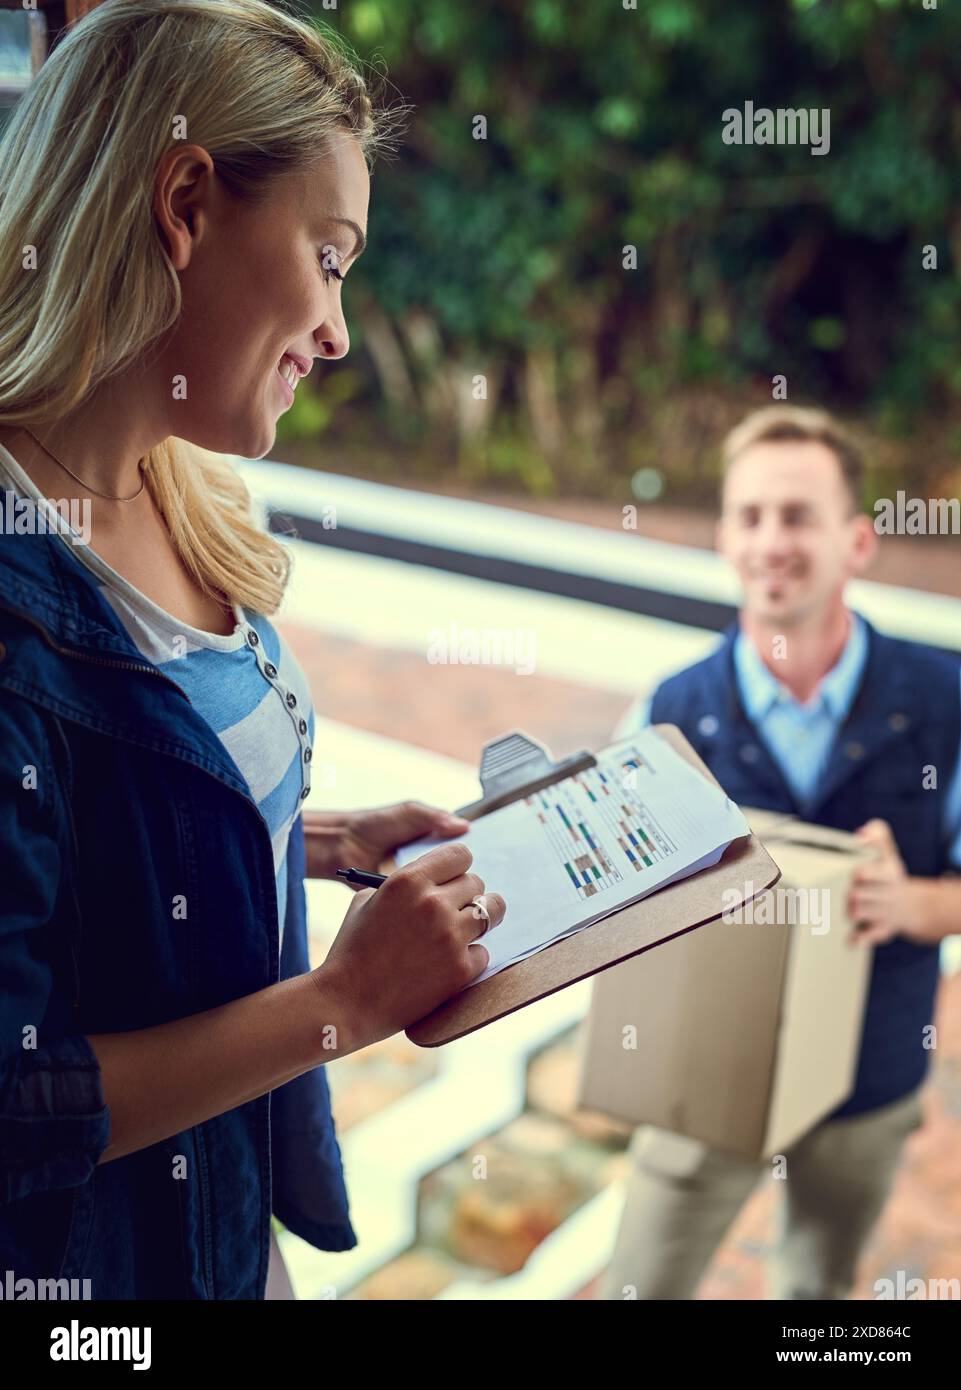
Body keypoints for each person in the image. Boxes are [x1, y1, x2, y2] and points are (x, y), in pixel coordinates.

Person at [0, 0, 505, 1300]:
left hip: (226, 1237)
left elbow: (109, 821)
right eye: (330, 258)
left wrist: (313, 836)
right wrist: (343, 1001)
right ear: (183, 205)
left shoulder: (177, 484)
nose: (337, 331)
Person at [602, 404, 961, 1300]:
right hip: (703, 1072)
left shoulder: (944, 696)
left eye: (798, 516)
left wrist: (912, 902)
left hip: (867, 1080)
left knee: (817, 1297)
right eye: (750, 516)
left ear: (857, 542)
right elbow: (615, 894)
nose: (772, 541)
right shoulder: (671, 710)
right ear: (723, 537)